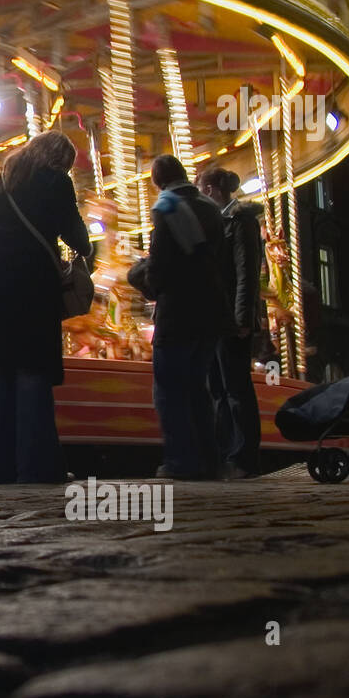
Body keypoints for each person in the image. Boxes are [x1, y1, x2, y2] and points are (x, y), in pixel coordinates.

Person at [0, 130, 91, 484]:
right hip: (31, 284)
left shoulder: (3, 181)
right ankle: (37, 467)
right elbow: (77, 237)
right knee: (32, 372)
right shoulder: (56, 182)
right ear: (59, 160)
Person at [128, 155, 227, 480]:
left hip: (178, 311)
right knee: (199, 387)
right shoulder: (211, 208)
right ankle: (210, 460)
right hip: (210, 309)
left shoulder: (167, 207)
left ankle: (181, 461)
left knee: (169, 390)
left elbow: (162, 262)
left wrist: (146, 281)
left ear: (157, 181)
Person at [197, 165, 264, 477]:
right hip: (215, 316)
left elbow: (246, 273)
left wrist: (242, 317)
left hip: (232, 318)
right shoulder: (218, 222)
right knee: (219, 389)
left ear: (210, 190)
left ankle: (243, 456)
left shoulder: (240, 221)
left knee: (236, 388)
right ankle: (225, 451)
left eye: (201, 190)